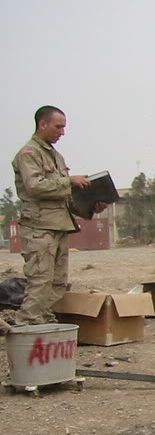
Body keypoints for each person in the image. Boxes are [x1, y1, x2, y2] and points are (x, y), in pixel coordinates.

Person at [11, 106, 103, 325]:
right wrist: (69, 181)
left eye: (64, 127)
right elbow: (35, 187)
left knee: (58, 282)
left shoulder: (56, 157)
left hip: (59, 226)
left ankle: (45, 324)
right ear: (43, 124)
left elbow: (64, 198)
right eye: (58, 126)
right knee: (41, 280)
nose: (62, 132)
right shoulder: (29, 154)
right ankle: (27, 326)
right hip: (39, 228)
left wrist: (91, 207)